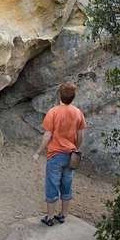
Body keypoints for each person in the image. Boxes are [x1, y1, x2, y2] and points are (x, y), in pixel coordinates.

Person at [32, 82, 86, 226]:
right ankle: (63, 215)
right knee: (66, 183)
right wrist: (76, 148)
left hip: (55, 155)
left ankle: (49, 217)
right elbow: (80, 135)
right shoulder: (77, 112)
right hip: (71, 154)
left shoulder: (53, 112)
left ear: (59, 96)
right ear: (73, 97)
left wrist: (38, 152)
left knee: (52, 184)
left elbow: (47, 136)